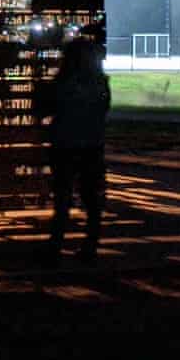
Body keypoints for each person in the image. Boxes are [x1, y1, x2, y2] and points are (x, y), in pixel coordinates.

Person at [38, 34, 109, 265]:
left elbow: (45, 108)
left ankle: (56, 244)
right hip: (92, 145)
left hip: (65, 145)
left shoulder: (63, 82)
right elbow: (102, 110)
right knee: (91, 199)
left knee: (63, 198)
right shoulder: (99, 83)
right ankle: (90, 245)